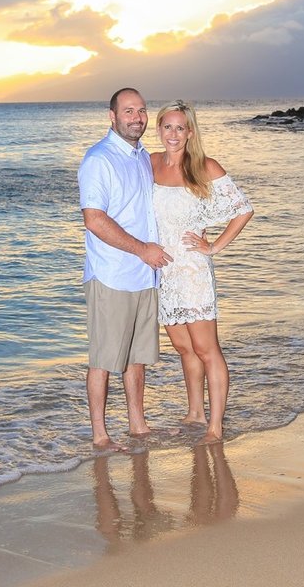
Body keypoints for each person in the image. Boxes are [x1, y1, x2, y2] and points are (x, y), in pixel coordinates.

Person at [150, 100, 253, 444]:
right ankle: (195, 413)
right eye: (168, 126)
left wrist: (213, 246)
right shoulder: (149, 163)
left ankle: (215, 426)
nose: (173, 134)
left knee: (207, 349)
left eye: (181, 128)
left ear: (190, 132)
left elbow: (242, 209)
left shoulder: (205, 166)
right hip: (163, 272)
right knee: (183, 347)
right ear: (159, 128)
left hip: (193, 271)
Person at [78, 87, 173, 449]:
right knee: (103, 357)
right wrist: (142, 250)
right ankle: (100, 436)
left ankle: (138, 426)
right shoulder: (99, 159)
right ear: (112, 116)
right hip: (113, 274)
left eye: (142, 110)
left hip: (144, 274)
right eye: (129, 111)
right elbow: (94, 219)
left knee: (137, 357)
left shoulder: (141, 157)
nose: (137, 117)